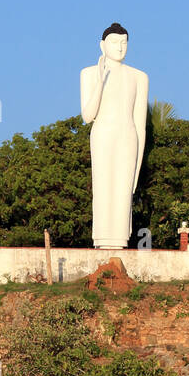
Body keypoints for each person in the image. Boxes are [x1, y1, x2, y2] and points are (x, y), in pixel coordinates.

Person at [80, 23, 149, 248]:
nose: (120, 47)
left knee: (123, 191)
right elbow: (87, 116)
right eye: (114, 42)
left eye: (124, 42)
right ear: (102, 45)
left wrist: (138, 164)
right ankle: (101, 240)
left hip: (127, 136)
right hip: (102, 134)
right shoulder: (89, 73)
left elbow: (140, 123)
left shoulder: (139, 77)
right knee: (102, 188)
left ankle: (119, 241)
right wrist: (100, 81)